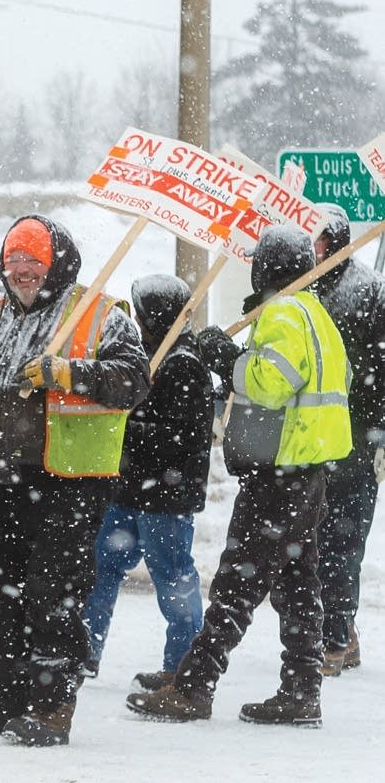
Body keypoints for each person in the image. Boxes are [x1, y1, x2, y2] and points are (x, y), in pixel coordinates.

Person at [127, 224, 351, 728]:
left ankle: (194, 686)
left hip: (280, 471)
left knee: (236, 583)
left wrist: (228, 360)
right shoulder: (316, 312)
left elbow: (271, 383)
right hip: (306, 470)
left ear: (267, 267)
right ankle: (300, 691)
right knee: (298, 584)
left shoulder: (284, 312)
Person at [0, 215, 150, 746]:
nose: (22, 271)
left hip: (69, 482)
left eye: (33, 260)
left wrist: (72, 373)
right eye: (13, 261)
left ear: (56, 262)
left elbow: (135, 381)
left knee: (51, 591)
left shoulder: (100, 315)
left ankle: (51, 706)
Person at [83, 274, 211, 686]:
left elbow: (183, 438)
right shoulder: (145, 357)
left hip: (166, 497)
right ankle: (83, 652)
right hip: (127, 489)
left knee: (173, 579)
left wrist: (124, 425)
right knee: (99, 570)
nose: (135, 320)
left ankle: (182, 670)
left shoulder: (184, 365)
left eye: (139, 312)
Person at [309, 203, 385, 677]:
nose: (310, 251)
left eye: (315, 243)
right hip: (320, 440)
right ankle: (343, 634)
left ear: (333, 243)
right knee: (321, 542)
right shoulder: (305, 289)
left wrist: (373, 432)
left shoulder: (365, 292)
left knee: (339, 542)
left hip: (352, 440)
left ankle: (334, 640)